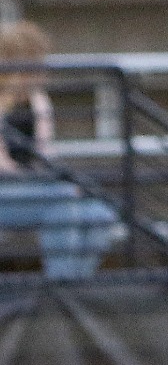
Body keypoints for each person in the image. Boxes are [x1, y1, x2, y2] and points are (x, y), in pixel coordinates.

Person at [0, 20, 118, 277]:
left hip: (31, 188)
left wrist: (60, 178)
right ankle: (61, 287)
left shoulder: (38, 101)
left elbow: (43, 154)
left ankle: (71, 286)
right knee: (62, 198)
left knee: (100, 214)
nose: (42, 70)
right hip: (7, 191)